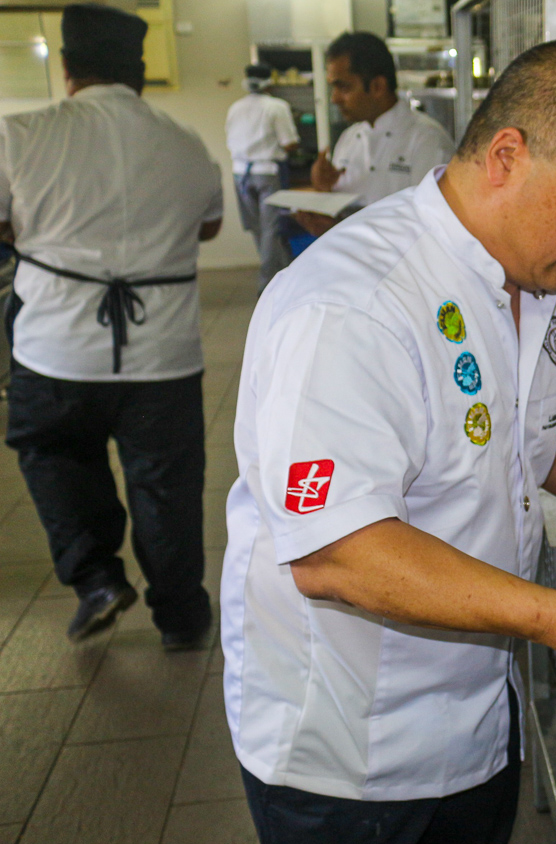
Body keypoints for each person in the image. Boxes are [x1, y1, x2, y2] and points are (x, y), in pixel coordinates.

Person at [222, 39, 556, 844]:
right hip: (350, 753)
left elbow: (538, 427)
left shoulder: (533, 274)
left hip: (472, 722)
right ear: (507, 157)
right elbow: (337, 554)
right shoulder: (353, 305)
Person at [0, 4, 222, 650]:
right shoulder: (185, 143)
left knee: (54, 454)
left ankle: (97, 578)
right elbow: (207, 226)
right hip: (165, 355)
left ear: (67, 68)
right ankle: (181, 615)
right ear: (141, 72)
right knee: (167, 485)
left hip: (55, 348)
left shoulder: (21, 135)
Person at [292, 31, 455, 237]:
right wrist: (323, 188)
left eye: (343, 87)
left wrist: (341, 230)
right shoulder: (349, 138)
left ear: (377, 86)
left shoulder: (427, 140)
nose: (334, 99)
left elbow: (434, 226)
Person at [225, 63, 299, 292]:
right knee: (271, 229)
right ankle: (267, 283)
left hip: (240, 174)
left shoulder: (235, 108)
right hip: (267, 173)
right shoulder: (276, 106)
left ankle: (286, 271)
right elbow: (289, 143)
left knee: (257, 229)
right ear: (270, 82)